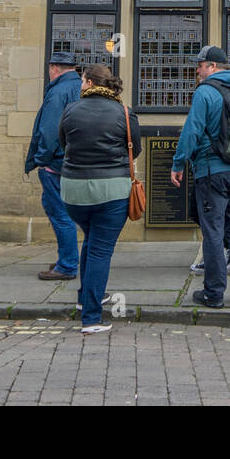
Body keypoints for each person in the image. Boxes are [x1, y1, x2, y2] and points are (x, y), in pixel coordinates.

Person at [173, 46, 230, 307]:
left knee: (213, 232)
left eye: (200, 65)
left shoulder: (205, 92)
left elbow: (191, 131)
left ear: (213, 67)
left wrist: (178, 163)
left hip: (211, 172)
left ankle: (214, 294)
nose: (197, 69)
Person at [57, 63, 141, 334]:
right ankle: (92, 318)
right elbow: (135, 150)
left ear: (91, 83)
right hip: (112, 191)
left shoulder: (70, 110)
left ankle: (85, 300)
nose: (80, 85)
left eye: (82, 80)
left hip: (73, 190)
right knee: (100, 250)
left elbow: (63, 142)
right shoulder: (125, 114)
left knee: (90, 241)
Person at [24, 51, 82, 281]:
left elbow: (48, 131)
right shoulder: (82, 87)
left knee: (59, 214)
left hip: (55, 164)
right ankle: (66, 259)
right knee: (68, 212)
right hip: (75, 162)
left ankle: (67, 265)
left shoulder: (57, 91)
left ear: (54, 68)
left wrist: (40, 158)